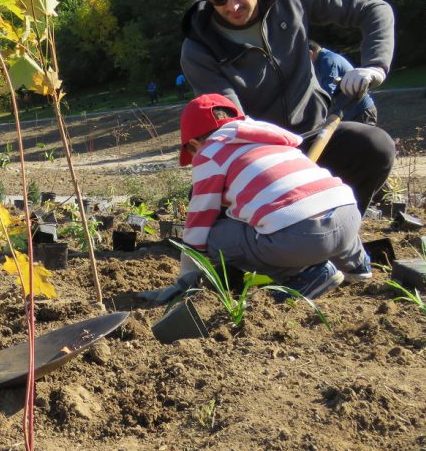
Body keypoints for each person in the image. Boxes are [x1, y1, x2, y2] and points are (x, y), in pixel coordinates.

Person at [180, 0, 396, 213]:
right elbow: (235, 126)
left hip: (317, 135)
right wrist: (289, 162)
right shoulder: (199, 49)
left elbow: (373, 9)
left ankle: (338, 230)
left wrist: (375, 65)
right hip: (258, 156)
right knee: (224, 215)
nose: (233, 6)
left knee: (375, 148)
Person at [139, 94, 369, 304]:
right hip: (349, 215)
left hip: (301, 236)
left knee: (215, 236)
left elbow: (199, 221)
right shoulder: (272, 139)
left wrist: (186, 278)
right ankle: (358, 266)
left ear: (193, 144)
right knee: (322, 205)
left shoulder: (209, 153)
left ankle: (307, 275)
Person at [308, 41, 377, 125]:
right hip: (349, 113)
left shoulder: (327, 60)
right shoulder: (320, 61)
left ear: (310, 53)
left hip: (360, 112)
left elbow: (327, 95)